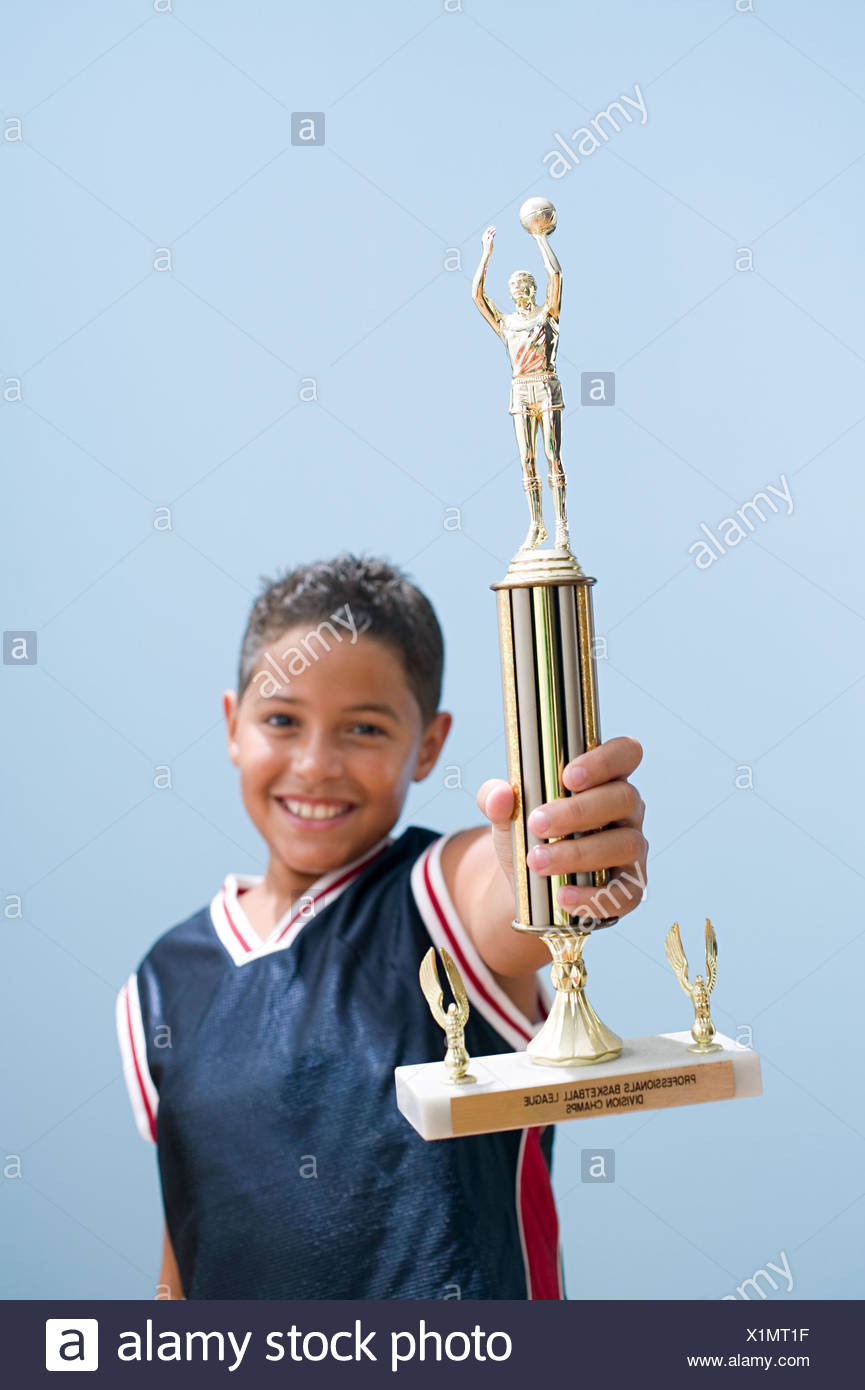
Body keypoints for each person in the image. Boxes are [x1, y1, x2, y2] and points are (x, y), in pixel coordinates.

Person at [116, 553, 647, 1300]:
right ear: (234, 725)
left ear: (427, 745)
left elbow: (511, 903)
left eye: (363, 728)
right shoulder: (162, 982)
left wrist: (562, 857)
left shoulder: (435, 897)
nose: (315, 764)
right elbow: (186, 1245)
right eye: (281, 720)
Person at [472, 224, 569, 552]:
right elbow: (477, 296)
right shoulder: (506, 323)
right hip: (520, 388)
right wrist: (485, 256)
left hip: (545, 384)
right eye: (514, 285)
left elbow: (556, 275)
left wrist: (540, 239)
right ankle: (536, 523)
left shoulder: (547, 315)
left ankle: (561, 526)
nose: (518, 288)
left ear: (531, 288)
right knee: (527, 459)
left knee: (552, 455)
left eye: (523, 283)